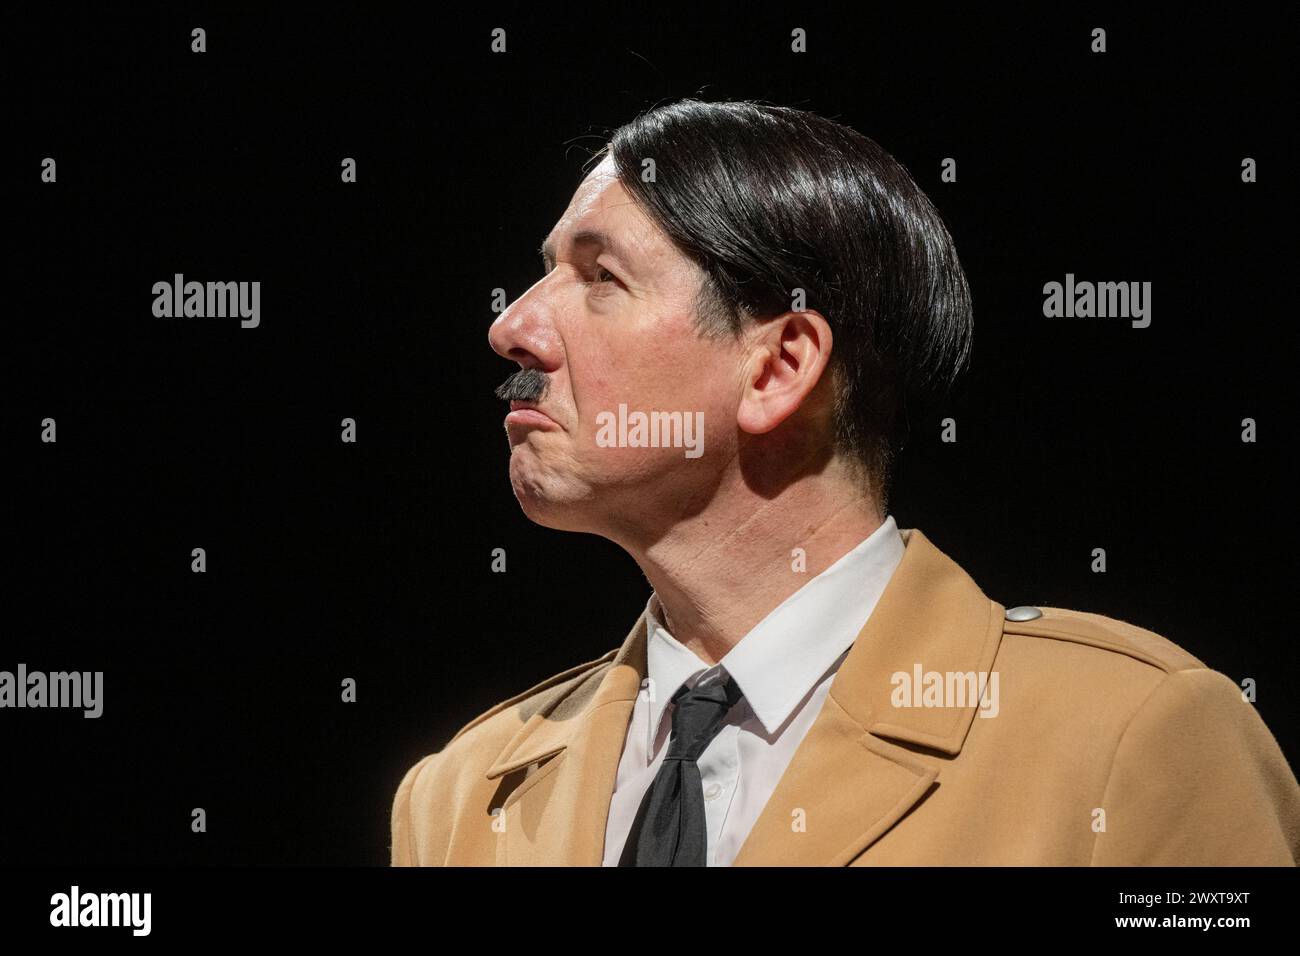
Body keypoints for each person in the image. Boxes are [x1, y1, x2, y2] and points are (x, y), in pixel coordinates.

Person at [391, 99, 1300, 866]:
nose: (512, 328)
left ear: (779, 366)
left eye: (599, 276)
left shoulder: (1130, 738)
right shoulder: (461, 796)